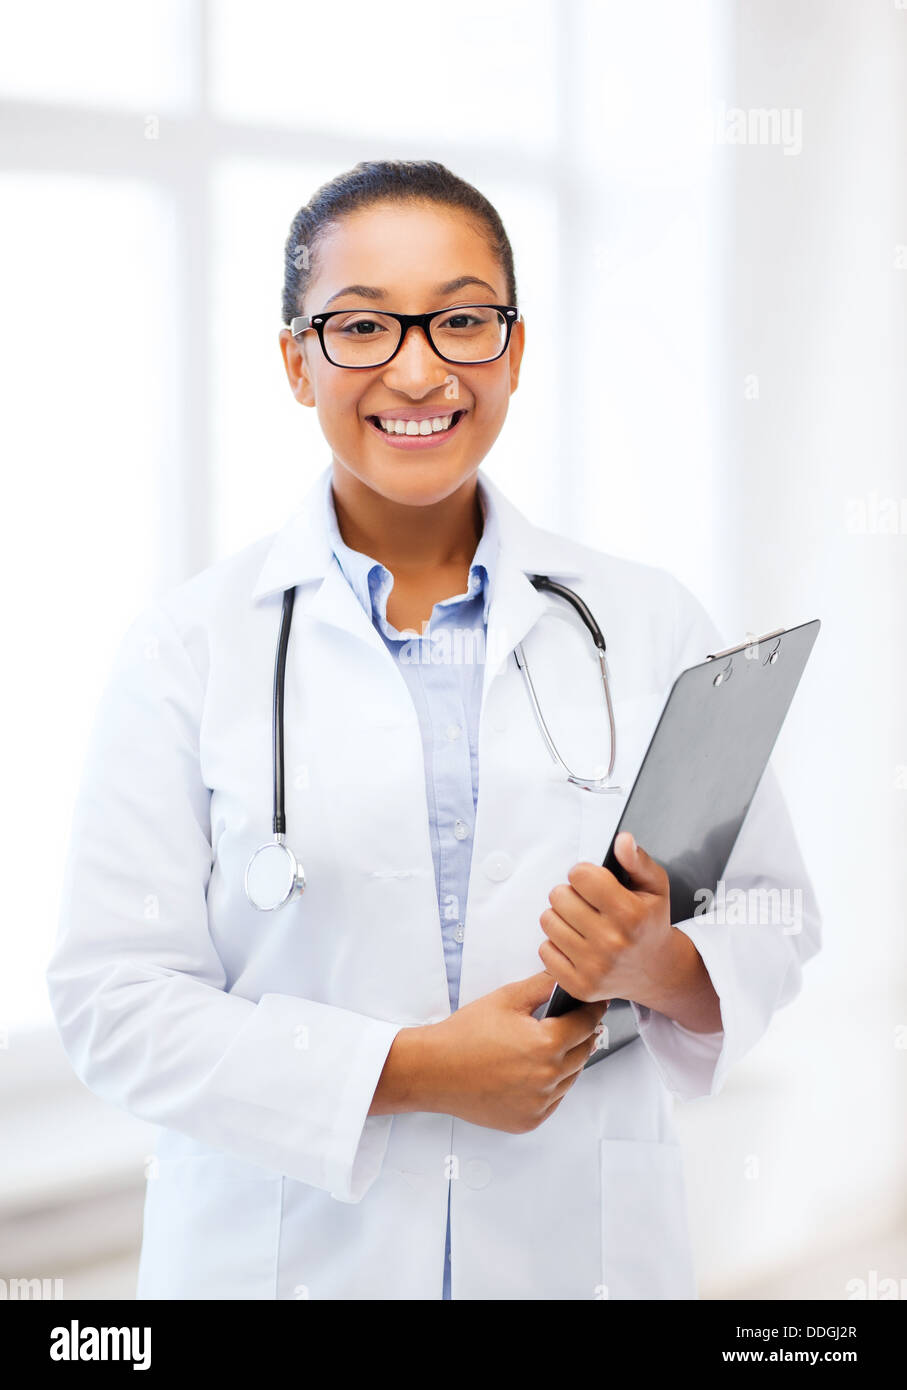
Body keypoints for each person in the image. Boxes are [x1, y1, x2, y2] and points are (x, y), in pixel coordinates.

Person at [47, 159, 821, 1301]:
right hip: (285, 1260)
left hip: (575, 1255)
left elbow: (771, 913)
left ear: (512, 350)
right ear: (294, 362)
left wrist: (658, 964)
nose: (418, 367)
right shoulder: (188, 649)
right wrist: (406, 1072)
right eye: (360, 326)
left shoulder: (646, 619)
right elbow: (112, 1002)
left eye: (461, 320)